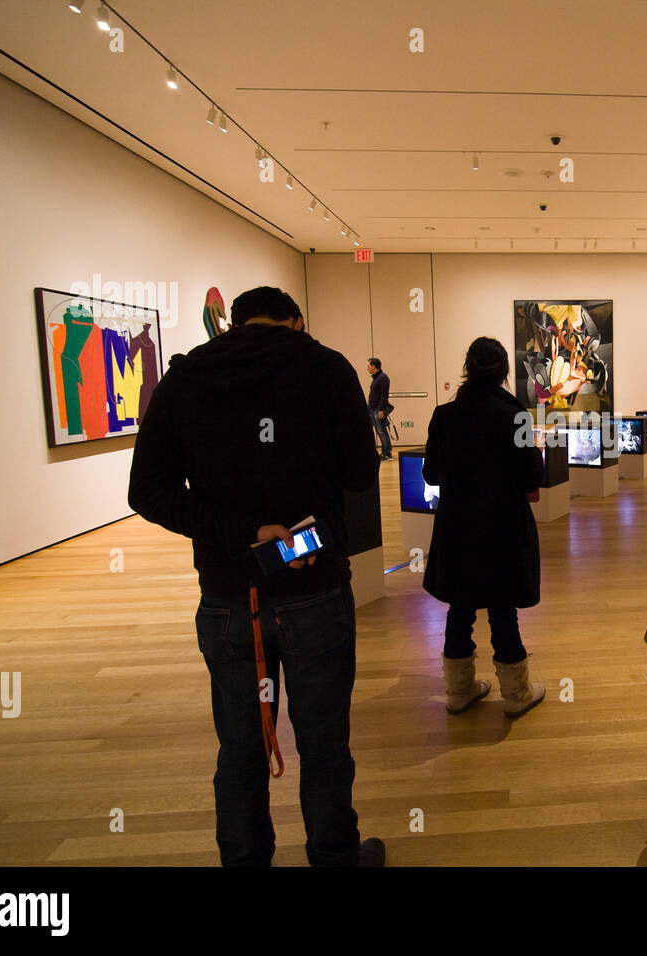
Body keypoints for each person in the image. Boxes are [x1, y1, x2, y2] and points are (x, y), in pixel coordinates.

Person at [128, 286, 385, 866]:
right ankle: (335, 856)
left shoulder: (185, 379)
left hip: (227, 596)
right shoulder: (325, 368)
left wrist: (243, 530)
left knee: (239, 750)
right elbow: (360, 475)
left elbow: (146, 491)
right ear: (296, 320)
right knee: (324, 744)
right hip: (313, 586)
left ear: (234, 323)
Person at [422, 337, 547, 717]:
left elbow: (431, 472)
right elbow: (532, 479)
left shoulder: (444, 415)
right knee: (502, 607)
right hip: (502, 526)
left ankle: (459, 691)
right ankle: (516, 693)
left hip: (458, 525)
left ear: (467, 368)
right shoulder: (515, 416)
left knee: (459, 606)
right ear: (505, 371)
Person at [366, 357, 392, 460]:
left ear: (374, 366)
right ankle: (385, 451)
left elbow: (384, 395)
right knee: (379, 430)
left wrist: (381, 410)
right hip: (373, 409)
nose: (367, 368)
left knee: (381, 431)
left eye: (368, 366)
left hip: (378, 409)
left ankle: (386, 453)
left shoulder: (382, 378)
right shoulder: (377, 378)